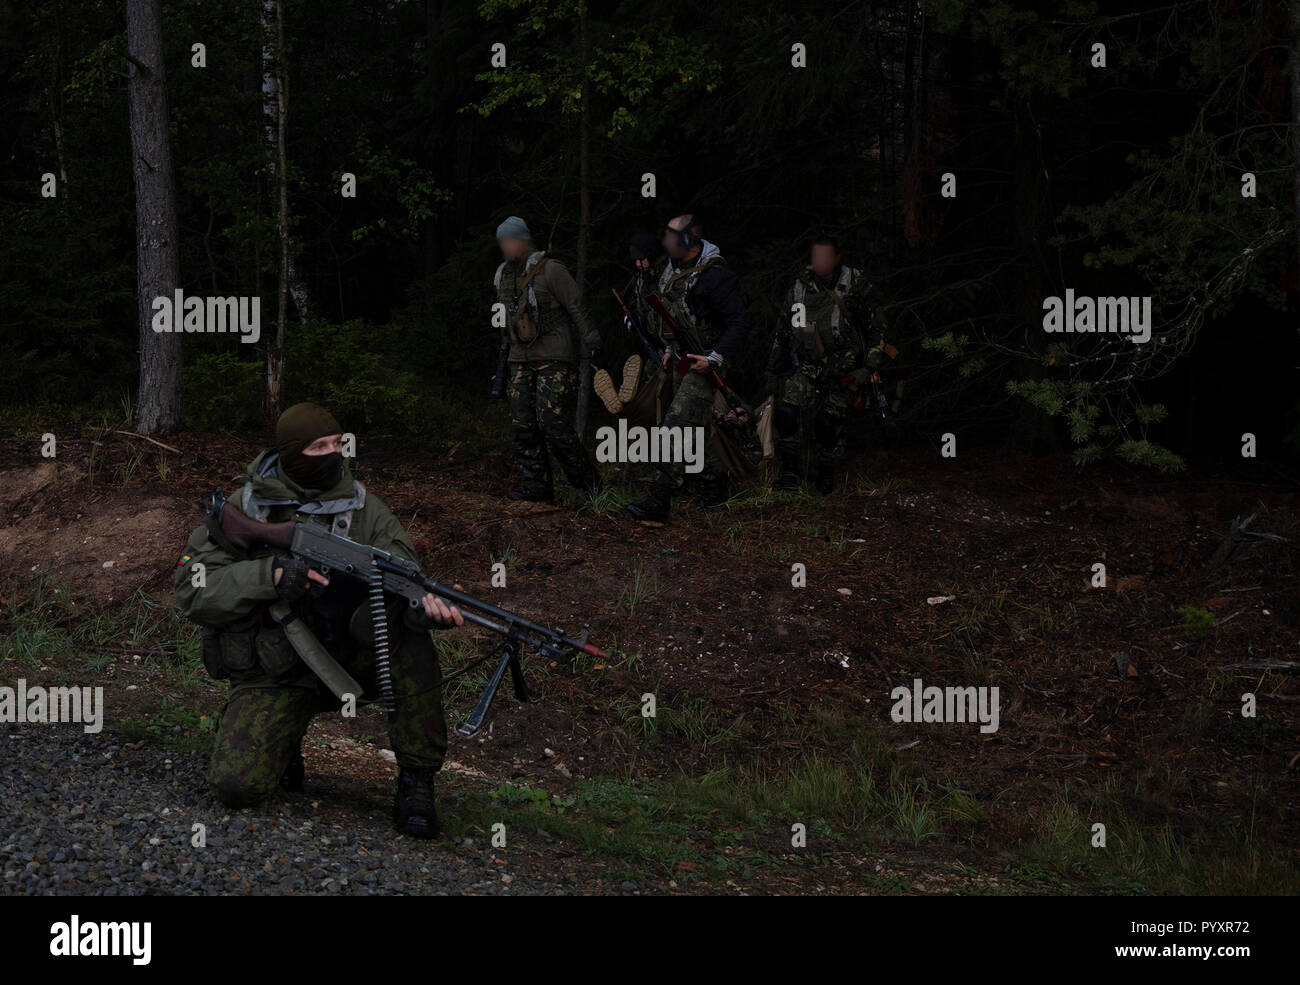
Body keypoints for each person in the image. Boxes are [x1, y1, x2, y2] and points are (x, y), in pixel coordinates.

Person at [173, 402, 463, 838]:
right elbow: (192, 589)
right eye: (318, 446)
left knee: (410, 641)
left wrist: (427, 610)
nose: (334, 453)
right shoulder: (245, 507)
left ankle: (417, 780)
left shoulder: (367, 510)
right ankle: (281, 740)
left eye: (337, 442)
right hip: (277, 667)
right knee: (236, 787)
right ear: (289, 454)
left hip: (350, 660)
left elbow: (406, 579)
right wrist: (266, 576)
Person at [626, 213, 749, 522]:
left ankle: (659, 498)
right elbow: (675, 320)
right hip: (683, 359)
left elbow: (737, 323)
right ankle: (717, 483)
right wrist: (669, 349)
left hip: (709, 363)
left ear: (687, 241)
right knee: (696, 427)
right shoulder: (671, 271)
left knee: (675, 425)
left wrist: (714, 359)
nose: (664, 240)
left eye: (670, 234)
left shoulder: (716, 276)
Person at [493, 215, 603, 504]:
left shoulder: (550, 269)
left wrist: (592, 343)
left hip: (554, 354)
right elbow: (505, 322)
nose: (505, 246)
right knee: (522, 423)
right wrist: (501, 365)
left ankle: (589, 486)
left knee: (552, 421)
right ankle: (536, 487)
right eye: (502, 241)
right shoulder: (503, 274)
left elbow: (576, 305)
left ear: (523, 239)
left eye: (510, 239)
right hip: (518, 356)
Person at [766, 235, 887, 493]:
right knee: (786, 413)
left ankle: (825, 472)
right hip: (808, 364)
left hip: (844, 367)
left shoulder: (855, 285)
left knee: (827, 423)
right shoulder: (801, 286)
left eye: (826, 257)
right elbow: (784, 328)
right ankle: (790, 472)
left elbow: (876, 330)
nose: (820, 263)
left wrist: (867, 370)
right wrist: (776, 366)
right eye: (816, 257)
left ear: (837, 258)